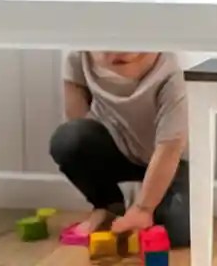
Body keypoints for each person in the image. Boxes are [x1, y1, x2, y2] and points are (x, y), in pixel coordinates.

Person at [50, 51, 191, 247]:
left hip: (172, 162)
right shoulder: (79, 58)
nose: (117, 52)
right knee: (69, 140)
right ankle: (108, 205)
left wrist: (143, 208)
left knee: (178, 231)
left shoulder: (173, 74)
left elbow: (170, 149)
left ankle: (149, 205)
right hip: (122, 150)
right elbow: (77, 123)